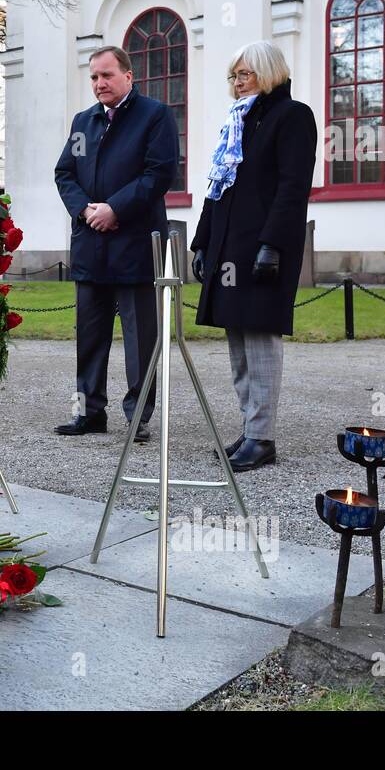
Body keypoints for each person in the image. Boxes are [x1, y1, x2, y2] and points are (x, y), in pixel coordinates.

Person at [190, 41, 316, 472]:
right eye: (234, 75)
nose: (238, 81)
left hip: (264, 249)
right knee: (238, 344)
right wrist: (202, 243)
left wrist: (273, 245)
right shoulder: (236, 122)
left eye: (245, 73)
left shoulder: (292, 116)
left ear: (269, 72)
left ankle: (262, 438)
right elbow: (216, 187)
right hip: (230, 247)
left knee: (260, 342)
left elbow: (292, 187)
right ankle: (249, 428)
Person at [53, 45, 178, 443]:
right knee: (89, 336)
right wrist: (84, 210)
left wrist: (115, 209)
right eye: (93, 77)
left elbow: (159, 174)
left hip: (135, 246)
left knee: (141, 339)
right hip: (90, 244)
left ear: (128, 76)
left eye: (106, 75)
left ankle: (137, 416)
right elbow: (65, 172)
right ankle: (89, 412)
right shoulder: (83, 122)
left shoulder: (154, 116)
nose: (99, 83)